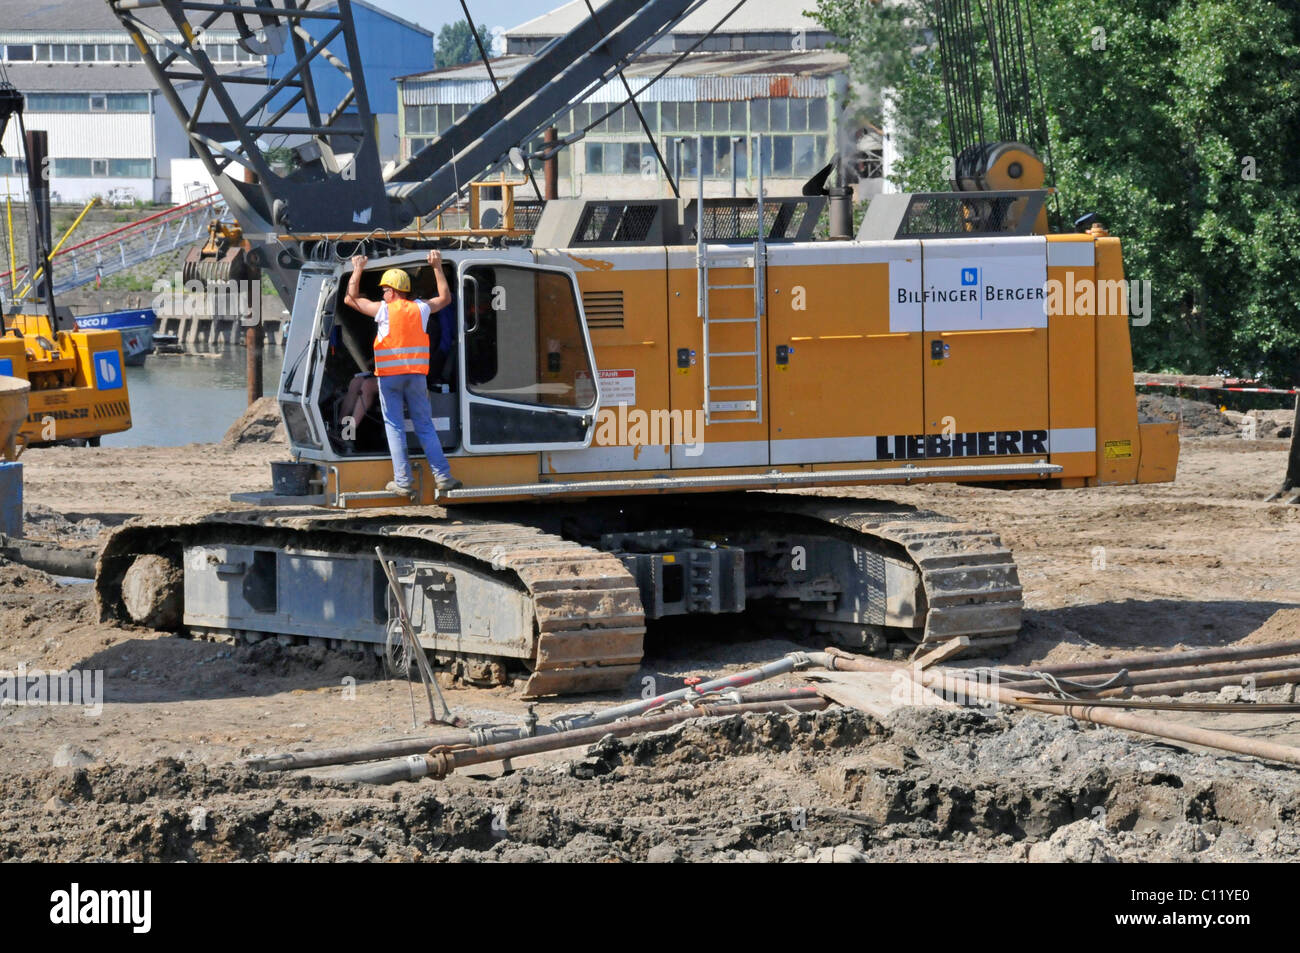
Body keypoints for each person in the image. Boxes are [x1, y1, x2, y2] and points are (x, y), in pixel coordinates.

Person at [344, 249, 462, 495]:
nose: (383, 293)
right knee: (425, 426)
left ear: (394, 291)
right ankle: (443, 477)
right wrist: (438, 267)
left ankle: (403, 481)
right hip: (416, 377)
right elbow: (445, 298)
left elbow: (350, 299)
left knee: (394, 426)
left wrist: (357, 268)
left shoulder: (383, 311)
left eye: (385, 289)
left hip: (390, 380)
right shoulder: (421, 309)